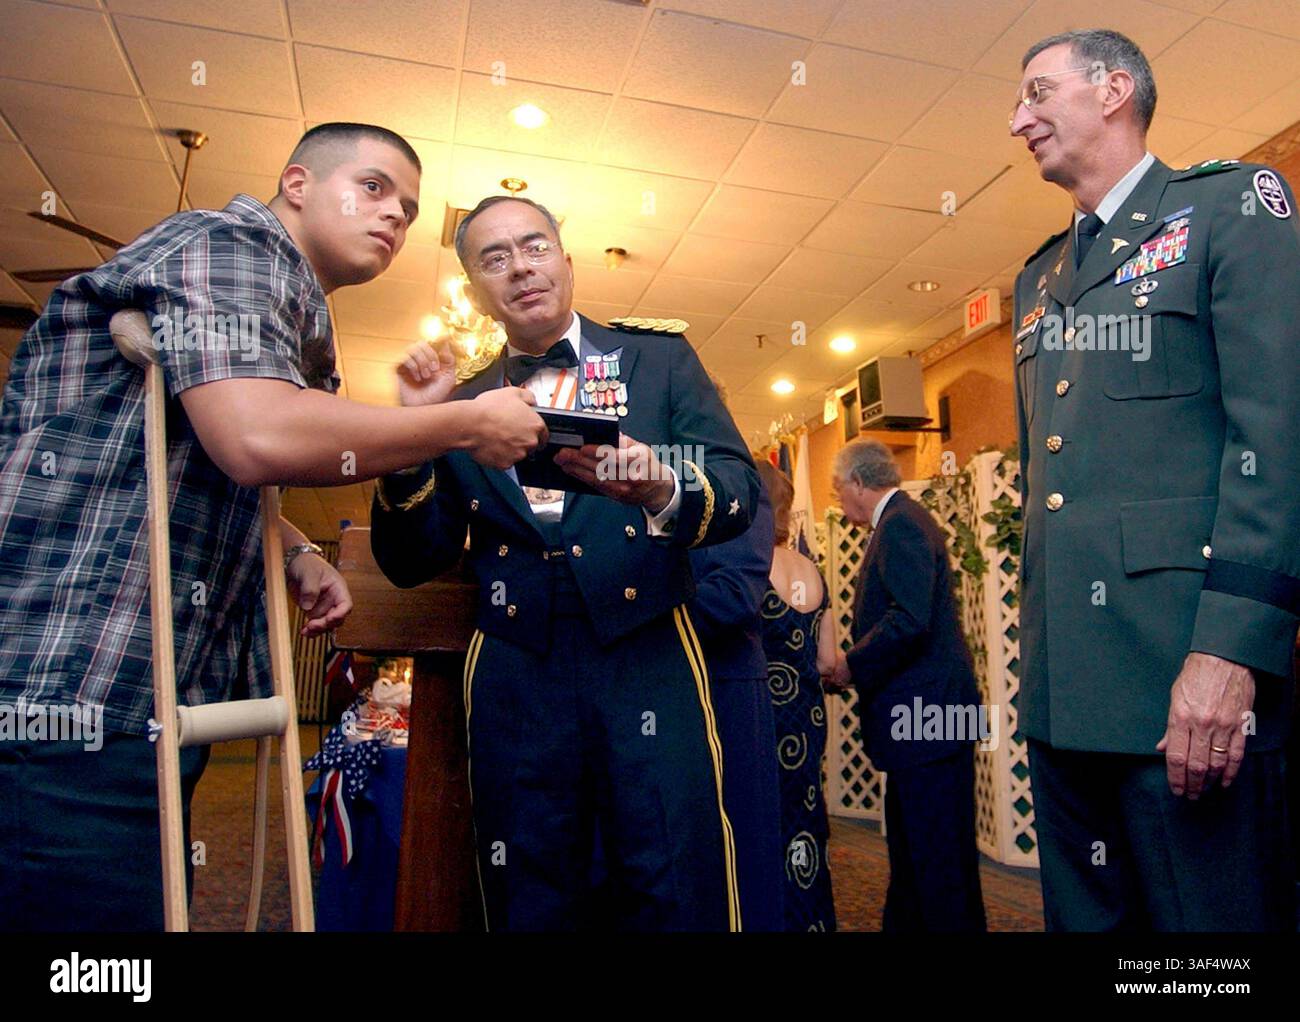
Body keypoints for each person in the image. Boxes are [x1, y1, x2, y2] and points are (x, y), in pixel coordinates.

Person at [0, 122, 545, 931]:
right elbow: (255, 437)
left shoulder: (291, 306)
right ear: (296, 184)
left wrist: (290, 546)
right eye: (372, 188)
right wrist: (460, 426)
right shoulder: (228, 245)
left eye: (408, 206)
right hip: (72, 679)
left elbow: (201, 459)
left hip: (143, 692)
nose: (395, 215)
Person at [370, 194, 760, 931]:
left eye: (535, 245)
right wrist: (414, 432)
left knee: (677, 865)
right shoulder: (462, 400)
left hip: (646, 646)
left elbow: (738, 492)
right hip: (518, 664)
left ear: (567, 260)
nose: (520, 267)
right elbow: (410, 560)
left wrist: (660, 485)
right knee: (527, 880)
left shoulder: (658, 359)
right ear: (476, 291)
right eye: (494, 258)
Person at [1009, 28, 1300, 931]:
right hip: (1064, 703)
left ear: (1113, 90)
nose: (1018, 119)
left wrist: (1229, 653)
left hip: (1184, 688)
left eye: (1037, 92)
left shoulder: (1228, 209)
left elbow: (1277, 436)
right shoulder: (1038, 280)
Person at [831, 440, 986, 932]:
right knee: (920, 852)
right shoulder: (904, 520)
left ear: (858, 482)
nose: (838, 502)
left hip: (928, 721)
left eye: (838, 490)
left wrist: (851, 664)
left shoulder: (899, 525)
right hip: (926, 723)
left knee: (935, 858)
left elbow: (909, 619)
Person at [757, 459, 839, 931]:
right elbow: (828, 662)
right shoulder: (811, 568)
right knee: (805, 816)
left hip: (763, 713)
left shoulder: (749, 564)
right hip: (807, 716)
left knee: (764, 818)